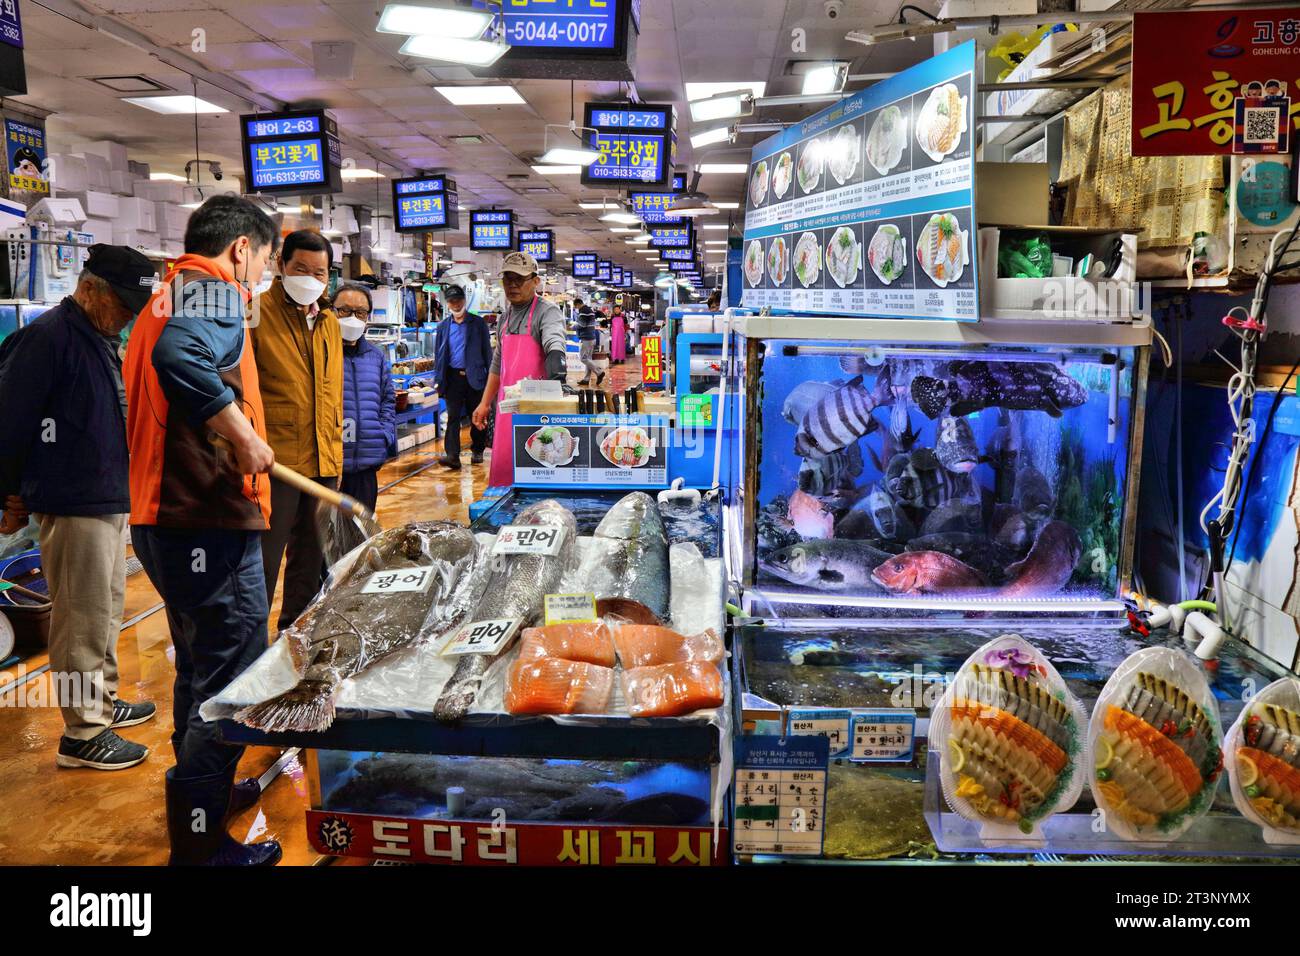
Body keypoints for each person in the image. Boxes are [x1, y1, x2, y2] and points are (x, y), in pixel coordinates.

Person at [124, 194, 282, 866]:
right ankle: (198, 846)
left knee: (200, 668)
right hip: (205, 520)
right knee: (236, 676)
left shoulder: (164, 294)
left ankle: (203, 801)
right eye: (267, 262)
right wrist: (242, 434)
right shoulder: (213, 293)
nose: (261, 278)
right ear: (242, 249)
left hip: (163, 519)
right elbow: (184, 360)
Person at [0, 245, 157, 770]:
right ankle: (82, 733)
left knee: (106, 611)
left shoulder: (99, 337)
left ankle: (104, 704)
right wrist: (9, 494)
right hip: (70, 500)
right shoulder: (47, 338)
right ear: (90, 289)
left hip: (106, 496)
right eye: (123, 303)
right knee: (78, 619)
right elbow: (9, 422)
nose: (129, 316)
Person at [252, 230, 343, 632]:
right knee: (262, 565)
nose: (310, 278)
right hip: (275, 465)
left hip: (323, 462)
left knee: (310, 563)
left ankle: (294, 640)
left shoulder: (329, 322)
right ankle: (248, 652)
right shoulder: (254, 314)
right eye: (301, 268)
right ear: (281, 266)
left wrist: (335, 455)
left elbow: (331, 393)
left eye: (319, 271)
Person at [471, 251, 567, 487]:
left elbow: (554, 343)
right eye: (508, 279)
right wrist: (484, 403)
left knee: (537, 470)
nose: (512, 285)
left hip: (538, 409)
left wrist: (558, 368)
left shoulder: (547, 312)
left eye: (519, 279)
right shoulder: (505, 317)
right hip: (506, 411)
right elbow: (498, 364)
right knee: (506, 471)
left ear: (535, 281)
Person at [336, 284, 395, 511]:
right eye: (345, 310)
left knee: (362, 536)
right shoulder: (322, 352)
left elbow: (387, 401)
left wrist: (385, 436)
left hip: (367, 465)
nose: (353, 317)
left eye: (360, 312)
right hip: (332, 467)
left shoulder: (376, 357)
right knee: (326, 541)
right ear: (332, 311)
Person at [434, 284, 491, 470]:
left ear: (464, 300)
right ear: (447, 304)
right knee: (453, 417)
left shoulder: (478, 323)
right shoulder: (443, 326)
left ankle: (478, 449)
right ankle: (452, 456)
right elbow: (439, 355)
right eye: (451, 301)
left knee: (477, 416)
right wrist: (438, 380)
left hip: (475, 377)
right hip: (452, 378)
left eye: (458, 300)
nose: (455, 304)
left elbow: (487, 352)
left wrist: (491, 378)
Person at [573, 297, 603, 386]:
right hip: (591, 337)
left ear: (578, 304)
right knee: (588, 359)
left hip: (587, 338)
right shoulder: (589, 310)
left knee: (583, 358)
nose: (576, 308)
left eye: (576, 307)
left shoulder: (584, 311)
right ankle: (586, 379)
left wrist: (574, 326)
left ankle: (599, 372)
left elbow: (582, 324)